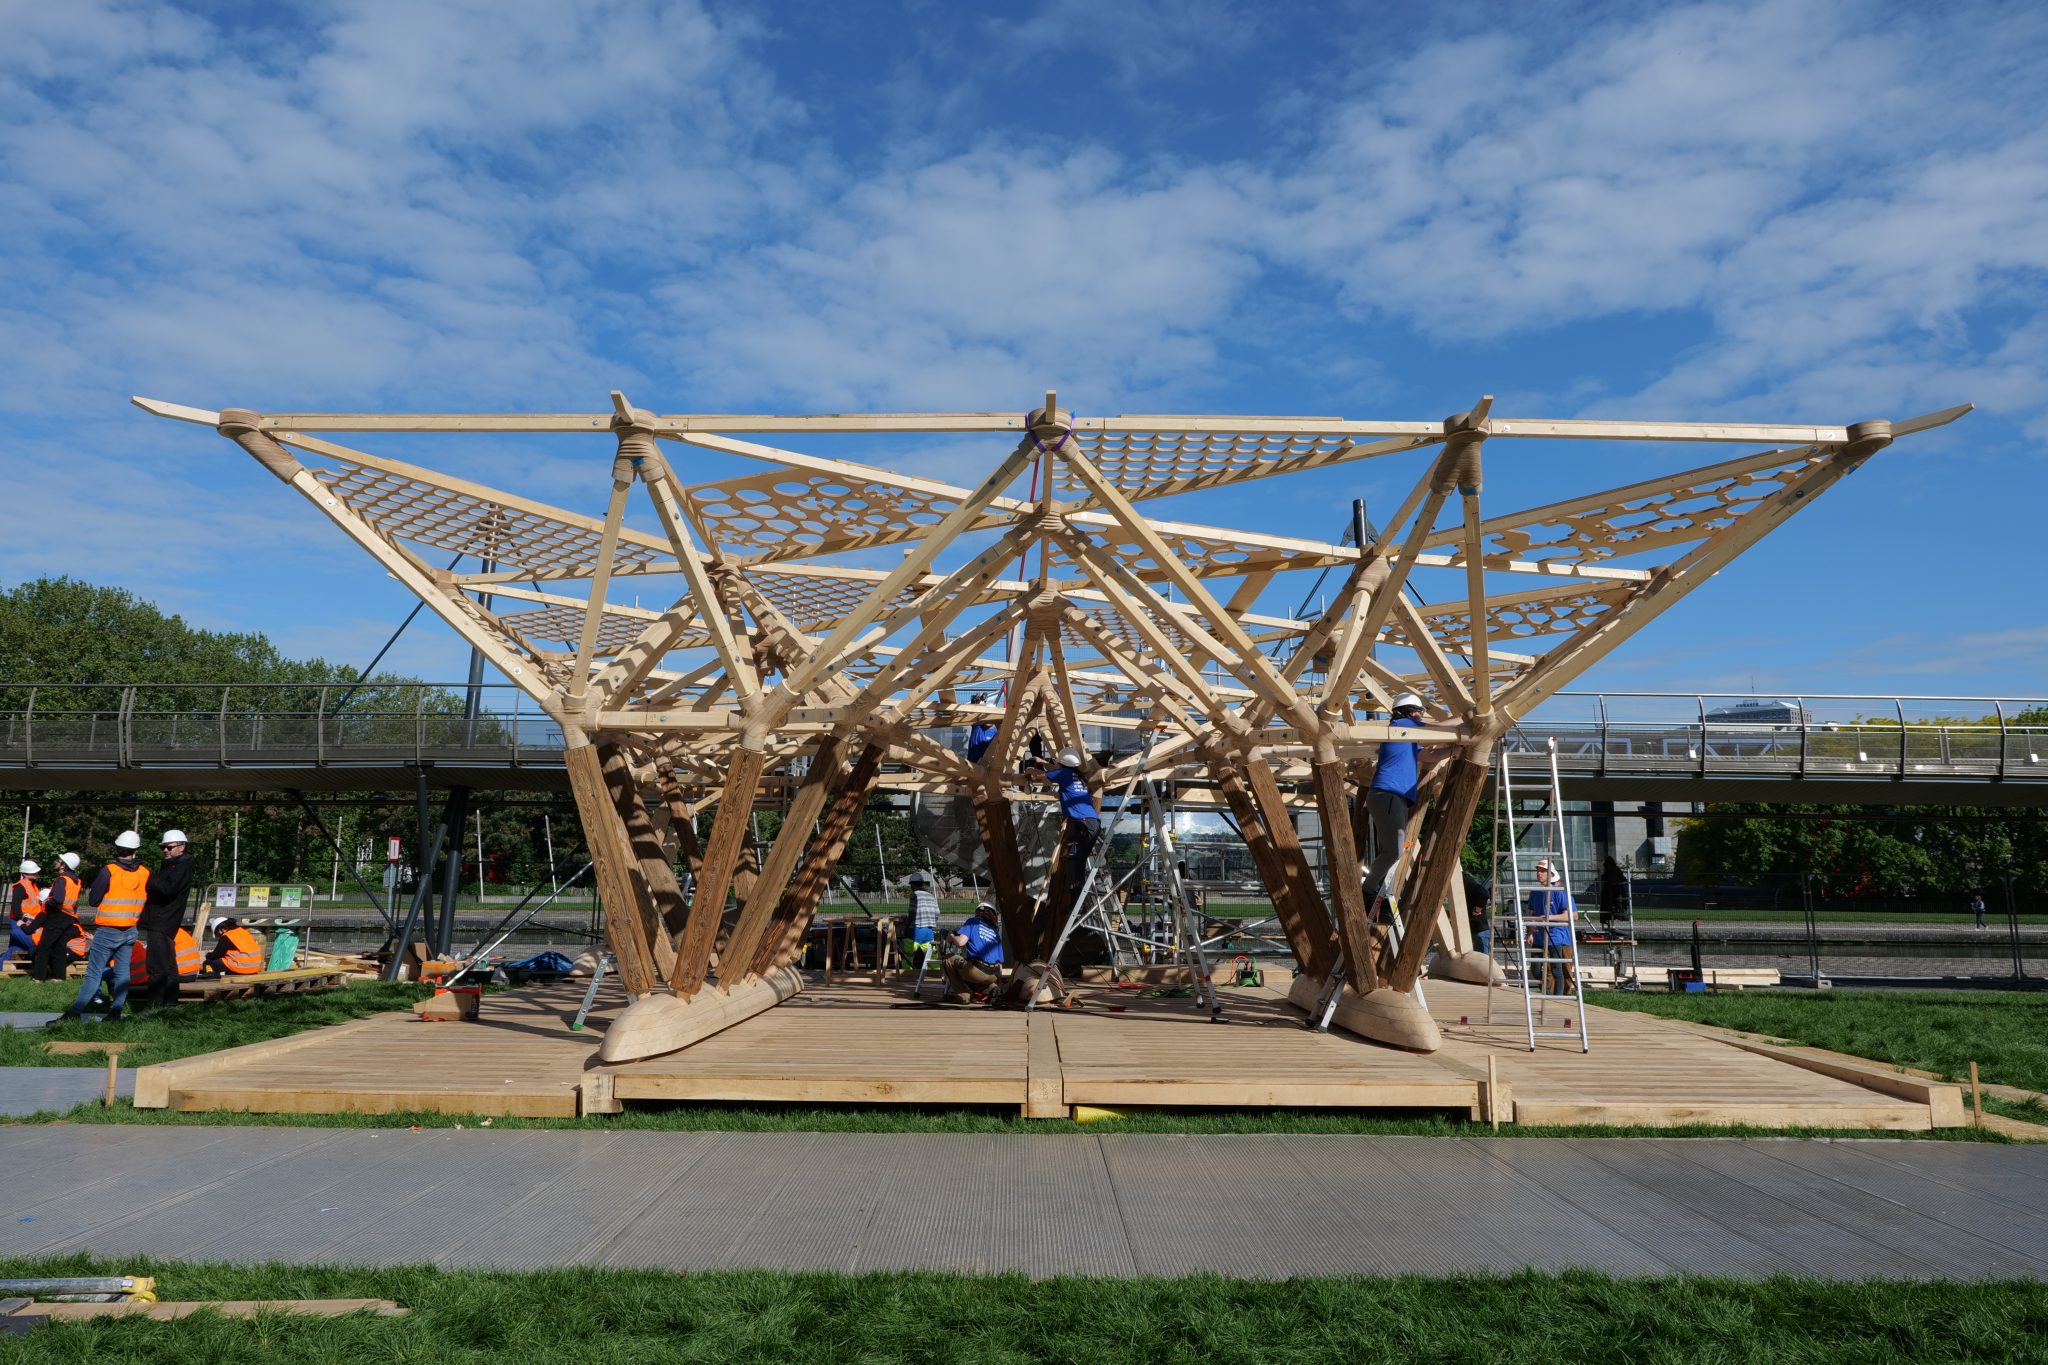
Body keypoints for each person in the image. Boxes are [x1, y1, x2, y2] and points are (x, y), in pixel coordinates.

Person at [1362, 693, 1439, 914]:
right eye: (1419, 711)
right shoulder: (1403, 725)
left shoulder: (1406, 737)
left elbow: (1429, 756)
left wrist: (1455, 749)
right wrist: (1466, 721)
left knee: (1393, 849)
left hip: (1390, 796)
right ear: (1409, 711)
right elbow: (1438, 727)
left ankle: (1374, 890)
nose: (1421, 715)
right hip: (1388, 794)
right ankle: (1368, 890)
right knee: (1394, 850)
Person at [61, 831, 148, 1021]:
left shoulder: (110, 870)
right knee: (122, 972)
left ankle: (74, 1013)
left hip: (108, 929)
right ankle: (115, 1011)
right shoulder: (145, 872)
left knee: (94, 974)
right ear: (136, 850)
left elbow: (93, 900)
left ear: (116, 848)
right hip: (130, 929)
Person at [1021, 748, 1100, 919]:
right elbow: (1056, 770)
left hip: (1082, 824)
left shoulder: (1064, 775)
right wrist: (1042, 763)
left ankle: (1076, 905)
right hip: (1090, 823)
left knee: (1074, 863)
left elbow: (1042, 777)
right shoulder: (1076, 776)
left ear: (1063, 763)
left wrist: (1031, 770)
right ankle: (1076, 903)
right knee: (1076, 862)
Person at [137, 829, 195, 1010]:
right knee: (168, 965)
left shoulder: (182, 866)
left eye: (169, 847)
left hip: (162, 921)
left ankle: (154, 1006)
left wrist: (148, 878)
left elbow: (168, 889)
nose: (165, 850)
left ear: (181, 847)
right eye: (163, 847)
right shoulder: (175, 865)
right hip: (163, 920)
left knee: (157, 966)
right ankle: (170, 1003)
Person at [28, 853, 83, 982]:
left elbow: (58, 899)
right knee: (59, 947)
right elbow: (74, 902)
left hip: (57, 916)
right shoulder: (76, 881)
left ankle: (38, 978)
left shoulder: (61, 879)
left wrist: (47, 902)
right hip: (69, 917)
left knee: (44, 947)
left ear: (64, 865)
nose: (57, 862)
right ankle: (59, 977)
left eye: (59, 860)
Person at [1527, 858, 1575, 997]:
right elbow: (1534, 914)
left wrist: (1550, 918)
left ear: (1551, 874)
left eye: (1542, 871)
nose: (1539, 873)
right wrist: (1530, 932)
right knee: (1535, 969)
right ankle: (1547, 991)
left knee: (1556, 969)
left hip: (1555, 935)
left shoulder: (1559, 892)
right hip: (1539, 936)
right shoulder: (1535, 893)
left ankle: (1557, 997)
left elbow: (1568, 915)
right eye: (1538, 871)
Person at [942, 901, 1004, 1004]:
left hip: (977, 970)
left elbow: (961, 942)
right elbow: (1000, 962)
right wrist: (1000, 984)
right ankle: (992, 988)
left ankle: (963, 994)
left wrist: (952, 936)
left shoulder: (973, 921)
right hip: (994, 975)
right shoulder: (995, 931)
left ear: (977, 912)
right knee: (975, 975)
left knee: (949, 959)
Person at [903, 871, 941, 979]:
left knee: (908, 956)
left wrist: (906, 926)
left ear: (912, 884)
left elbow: (912, 913)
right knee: (932, 957)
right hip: (929, 931)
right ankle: (938, 975)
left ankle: (906, 975)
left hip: (916, 930)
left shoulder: (914, 895)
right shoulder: (931, 896)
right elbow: (937, 913)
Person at [199, 917, 265, 977]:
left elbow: (216, 955)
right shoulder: (243, 932)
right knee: (226, 961)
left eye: (217, 934)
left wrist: (208, 955)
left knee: (208, 962)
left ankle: (211, 976)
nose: (219, 937)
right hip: (255, 967)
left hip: (243, 967)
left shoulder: (227, 937)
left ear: (220, 929)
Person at [4, 861, 39, 963]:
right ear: (24, 874)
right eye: (33, 872)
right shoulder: (21, 887)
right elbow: (15, 907)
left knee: (15, 947)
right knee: (18, 947)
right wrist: (24, 919)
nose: (36, 874)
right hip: (20, 921)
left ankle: (3, 965)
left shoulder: (33, 885)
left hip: (28, 921)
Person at [1598, 856, 1629, 932]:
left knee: (1611, 904)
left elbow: (1607, 878)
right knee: (1610, 904)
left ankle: (1613, 916)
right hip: (1612, 891)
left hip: (1613, 891)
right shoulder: (1614, 870)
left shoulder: (1611, 870)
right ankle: (1611, 917)